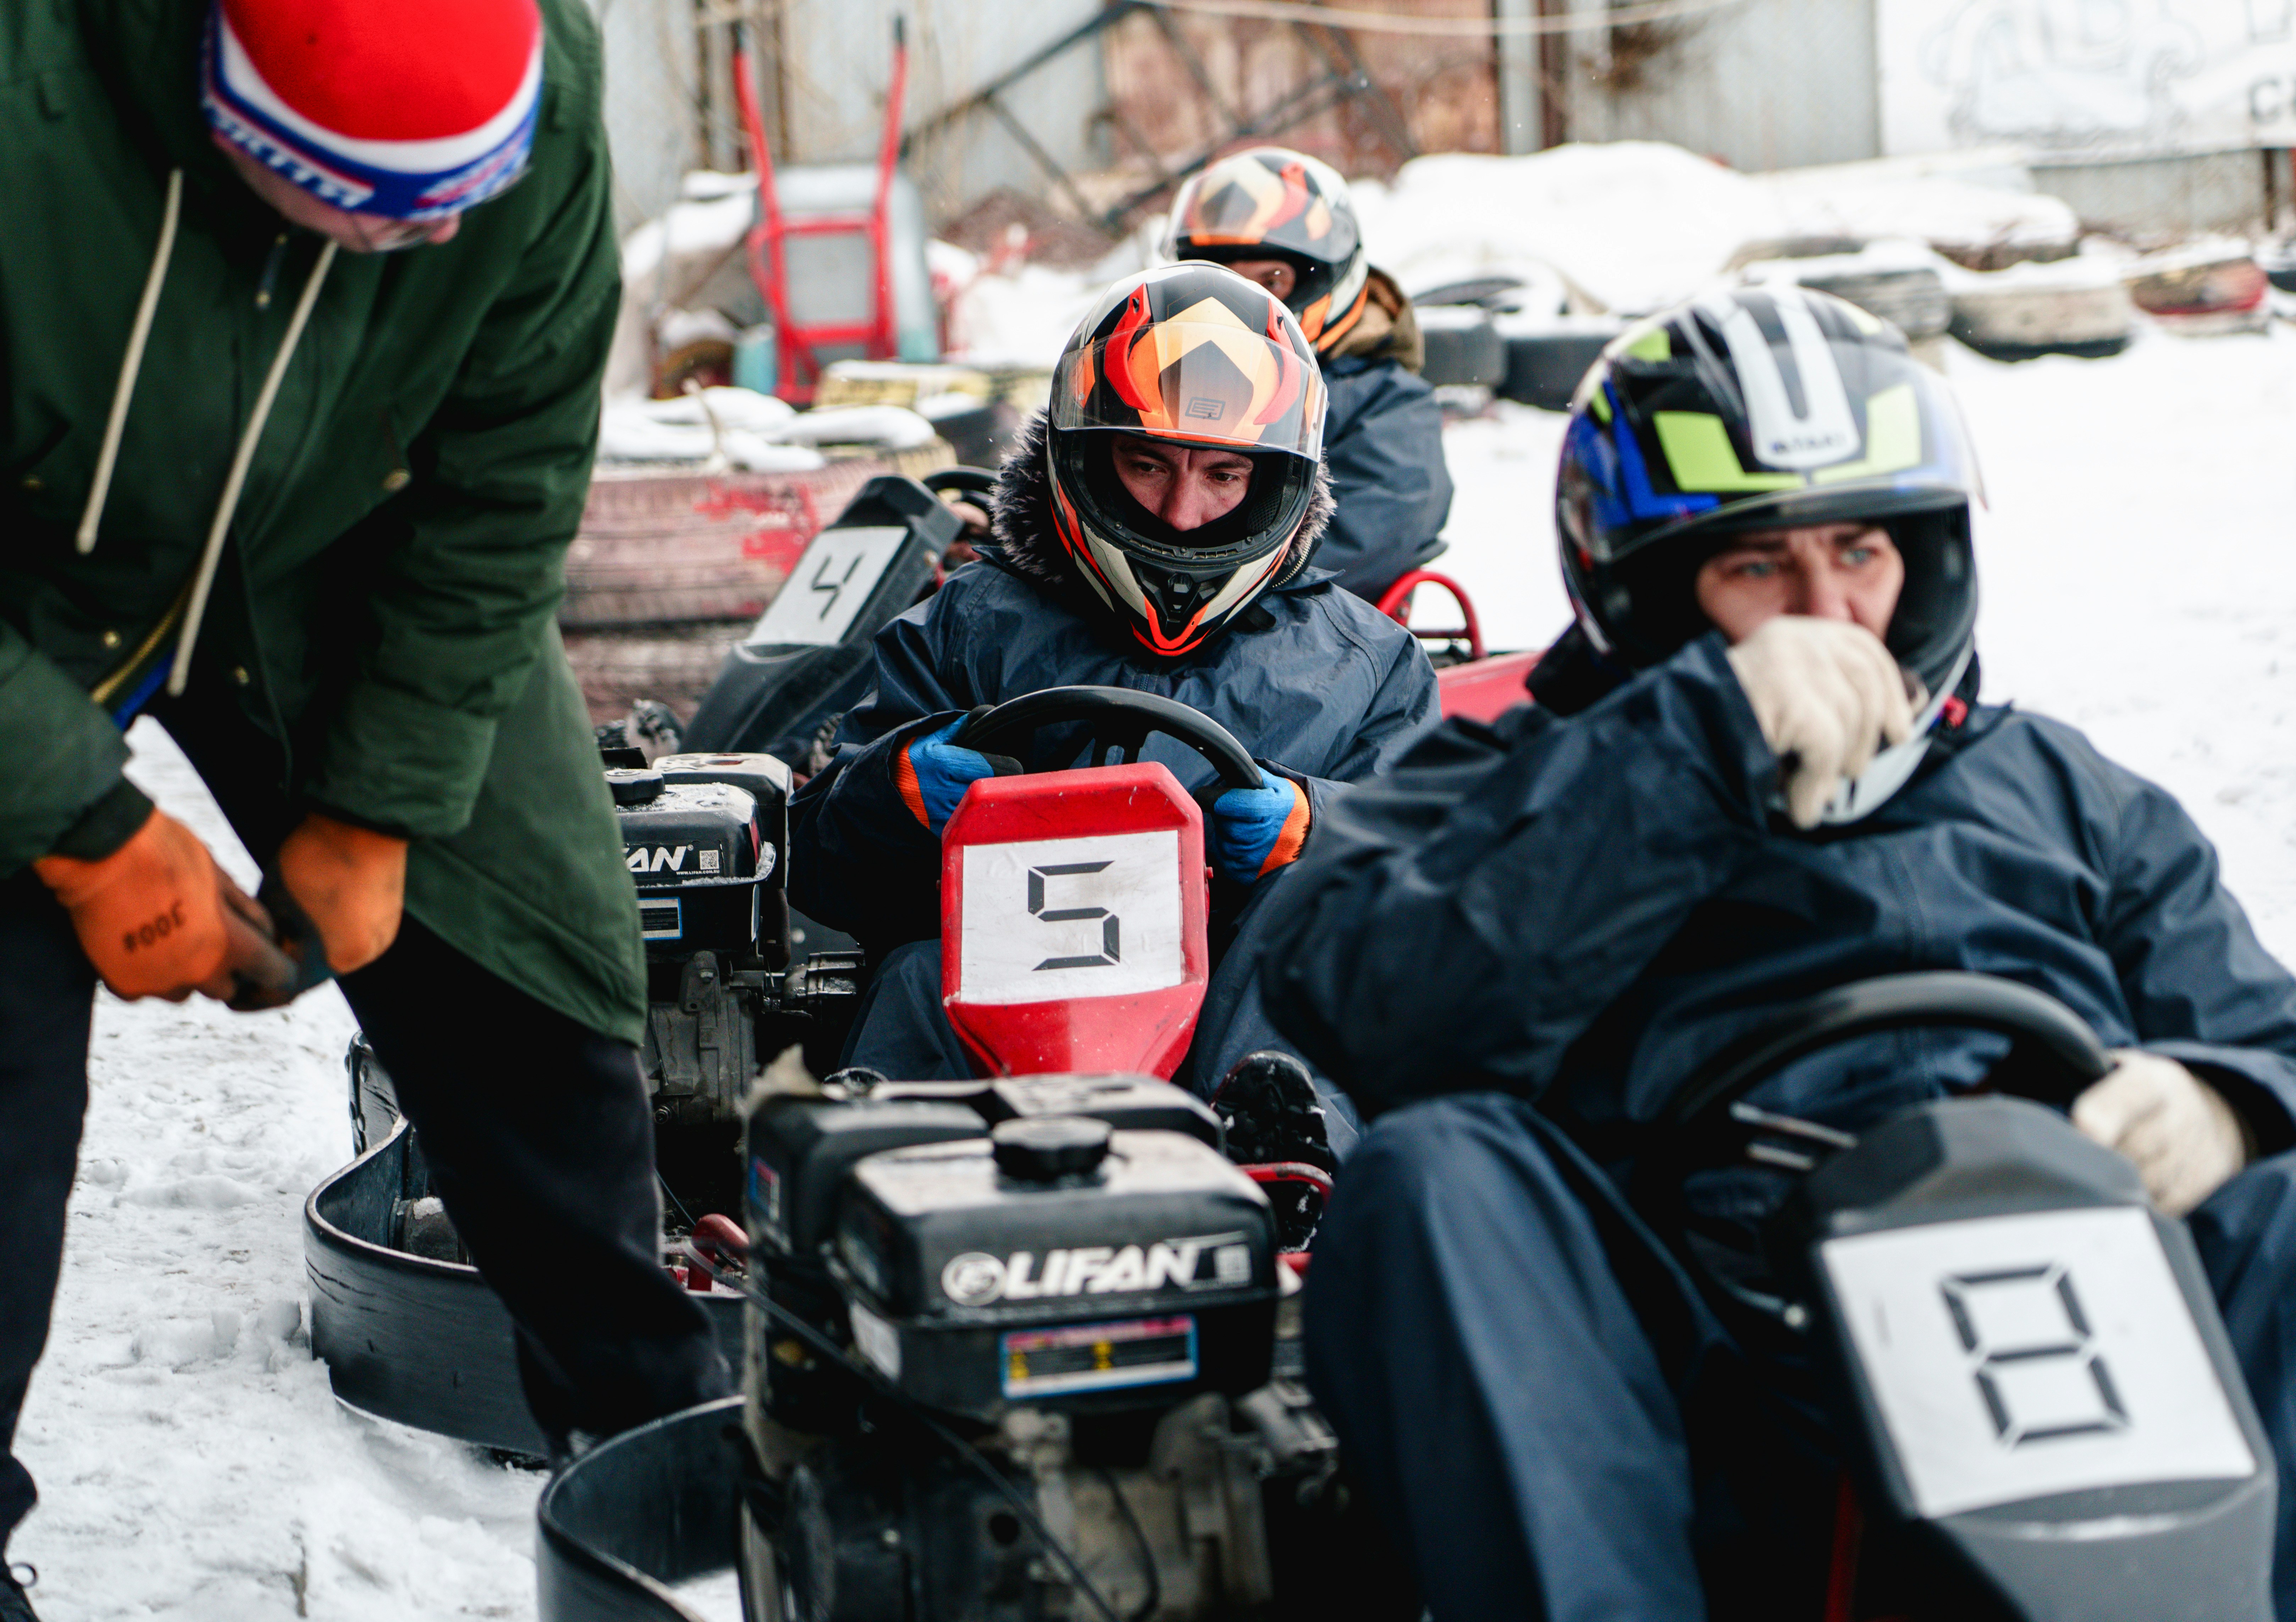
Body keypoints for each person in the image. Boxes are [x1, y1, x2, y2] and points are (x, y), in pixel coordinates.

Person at [1250, 286, 2296, 1620]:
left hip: (2071, 1344)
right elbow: (1359, 1006)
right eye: (1758, 568)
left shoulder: (2068, 797)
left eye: (1860, 551)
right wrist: (1692, 750)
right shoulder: (1493, 781)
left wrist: (2230, 1107)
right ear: (1645, 586)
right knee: (1428, 1176)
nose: (1830, 612)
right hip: (1698, 1371)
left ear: (1922, 563)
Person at [0, 0, 729, 1609]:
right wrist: (72, 809)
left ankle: (659, 1444)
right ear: (223, 100)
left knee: (527, 946)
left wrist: (386, 801)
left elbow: (509, 469)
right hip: (28, 553)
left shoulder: (542, 88)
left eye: (456, 199)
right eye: (373, 208)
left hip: (336, 526)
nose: (436, 239)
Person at [791, 264, 1437, 1137]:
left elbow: (1441, 889)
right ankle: (879, 1170)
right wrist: (896, 789)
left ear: (1280, 485)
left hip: (1235, 1034)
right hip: (999, 1030)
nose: (1180, 514)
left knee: (1291, 939)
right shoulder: (966, 627)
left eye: (1224, 476)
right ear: (1085, 458)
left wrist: (1315, 826)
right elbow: (824, 877)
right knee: (913, 966)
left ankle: (1283, 1161)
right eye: (1145, 466)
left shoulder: (1369, 666)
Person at [1165, 147, 1453, 605]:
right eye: (1218, 277)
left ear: (1324, 279)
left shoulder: (1386, 403)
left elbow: (1368, 541)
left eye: (1271, 280)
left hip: (1297, 632)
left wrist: (1196, 575)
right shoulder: (1164, 382)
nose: (1235, 301)